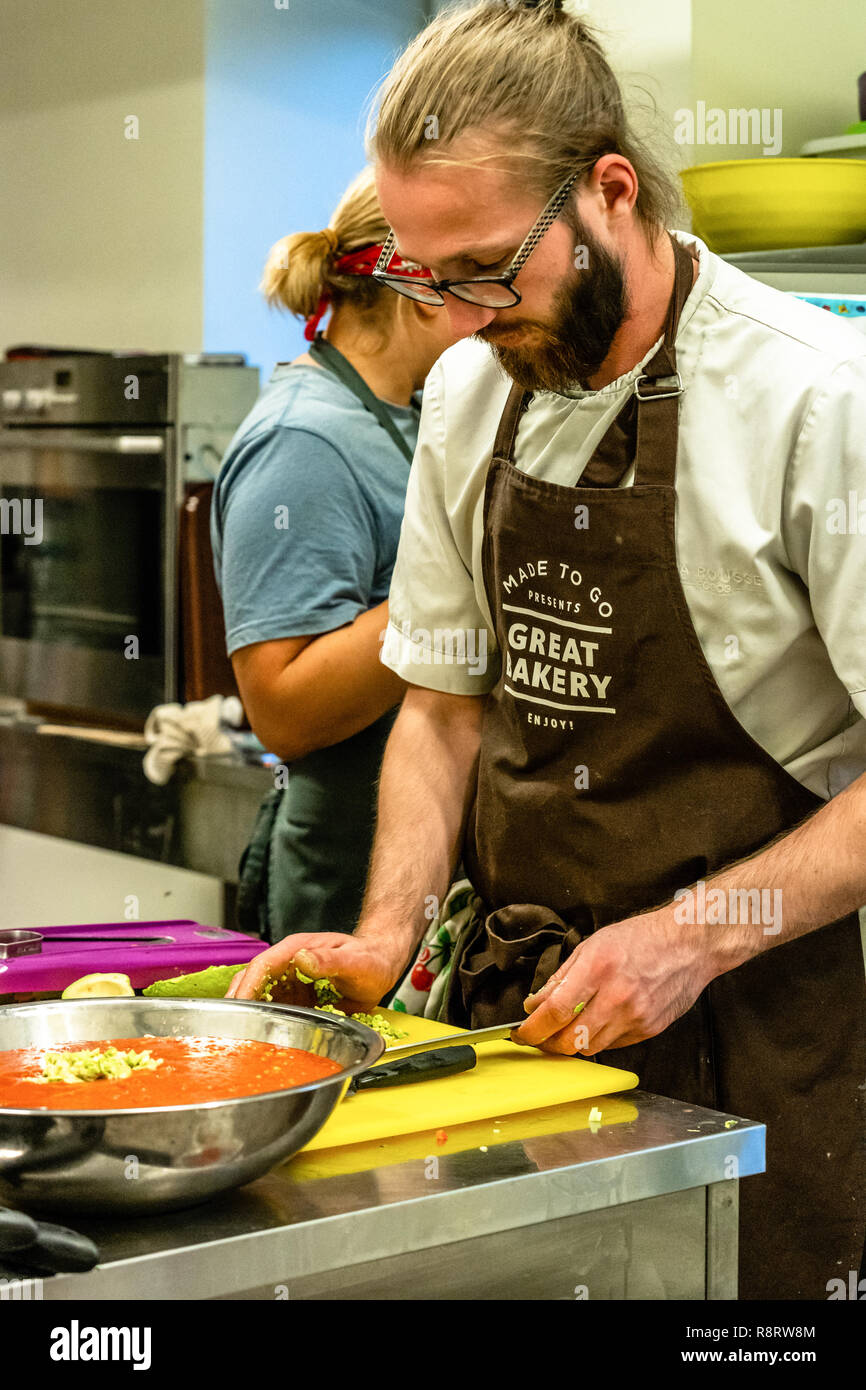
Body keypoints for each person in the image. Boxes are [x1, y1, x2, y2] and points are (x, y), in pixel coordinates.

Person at [229, 0, 866, 1299]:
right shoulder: (474, 390)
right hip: (513, 1034)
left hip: (753, 1035)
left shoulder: (813, 398)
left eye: (483, 271)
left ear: (609, 192)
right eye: (424, 278)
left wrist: (687, 938)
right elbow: (440, 705)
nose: (457, 321)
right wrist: (386, 931)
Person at [211, 167, 454, 942]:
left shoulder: (414, 412)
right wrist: (456, 585)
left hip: (421, 859)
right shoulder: (303, 440)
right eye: (479, 279)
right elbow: (282, 709)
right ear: (416, 284)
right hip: (348, 878)